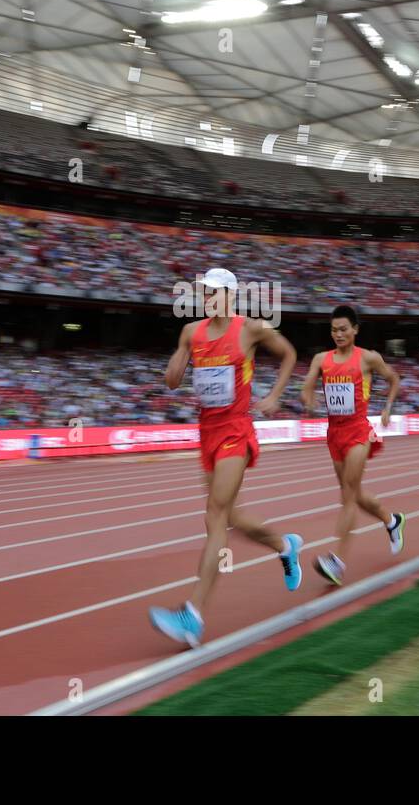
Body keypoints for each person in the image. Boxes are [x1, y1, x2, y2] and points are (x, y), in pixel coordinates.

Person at [149, 268, 301, 648]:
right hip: (208, 432)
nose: (206, 297)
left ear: (231, 295)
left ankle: (193, 615)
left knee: (214, 516)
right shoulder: (191, 332)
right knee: (232, 516)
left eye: (213, 292)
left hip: (236, 429)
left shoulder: (251, 328)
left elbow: (289, 354)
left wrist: (274, 396)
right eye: (203, 292)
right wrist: (177, 362)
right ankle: (285, 546)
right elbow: (171, 380)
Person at [299, 305, 406, 586]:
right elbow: (307, 385)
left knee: (347, 496)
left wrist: (388, 407)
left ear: (355, 330)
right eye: (334, 330)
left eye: (344, 329)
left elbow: (393, 379)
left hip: (360, 431)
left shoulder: (368, 358)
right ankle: (391, 520)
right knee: (355, 494)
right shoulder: (322, 359)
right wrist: (308, 399)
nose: (339, 334)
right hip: (334, 433)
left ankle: (337, 561)